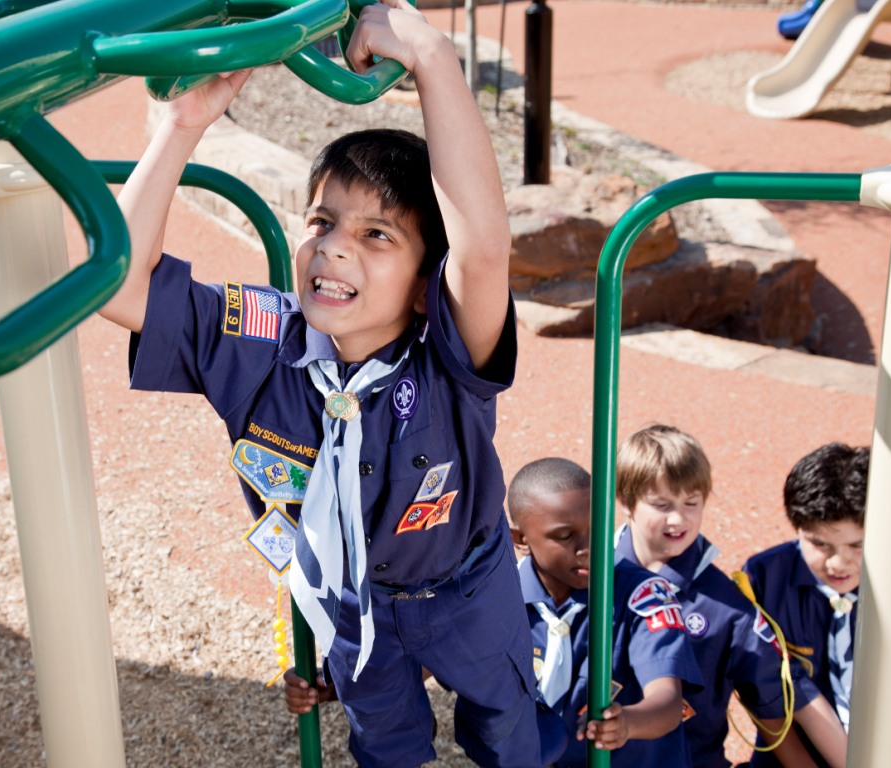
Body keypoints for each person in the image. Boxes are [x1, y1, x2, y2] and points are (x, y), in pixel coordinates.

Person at [99, 1, 541, 765]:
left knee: (507, 728)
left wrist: (434, 60)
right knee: (384, 743)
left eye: (376, 235)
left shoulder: (446, 352)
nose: (334, 248)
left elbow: (482, 249)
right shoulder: (261, 345)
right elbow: (118, 286)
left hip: (468, 590)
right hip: (350, 603)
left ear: (424, 285)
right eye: (322, 222)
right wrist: (181, 125)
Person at [615, 425, 849, 768]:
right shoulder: (587, 576)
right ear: (625, 500)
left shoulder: (728, 608)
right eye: (661, 504)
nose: (678, 518)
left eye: (692, 503)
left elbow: (775, 698)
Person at [507, 457, 703, 768]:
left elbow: (667, 703)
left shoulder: (644, 596)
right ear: (521, 539)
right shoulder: (501, 599)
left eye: (597, 526)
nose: (588, 547)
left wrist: (627, 723)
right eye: (565, 536)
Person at [743, 442, 868, 768]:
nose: (838, 563)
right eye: (820, 544)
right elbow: (761, 690)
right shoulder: (764, 578)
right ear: (797, 527)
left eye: (857, 545)